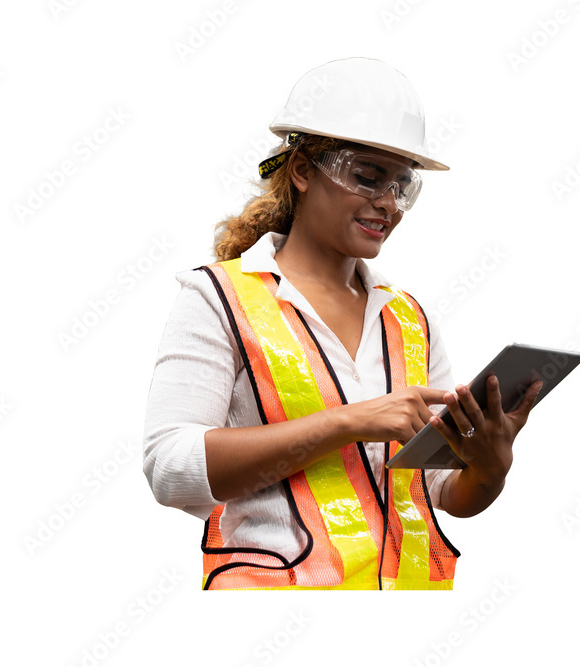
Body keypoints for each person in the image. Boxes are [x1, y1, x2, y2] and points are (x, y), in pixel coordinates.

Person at [142, 57, 542, 590]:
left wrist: (490, 465)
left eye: (402, 185)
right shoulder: (218, 297)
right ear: (303, 170)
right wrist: (349, 421)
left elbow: (445, 491)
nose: (387, 204)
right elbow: (169, 469)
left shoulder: (408, 318)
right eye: (367, 177)